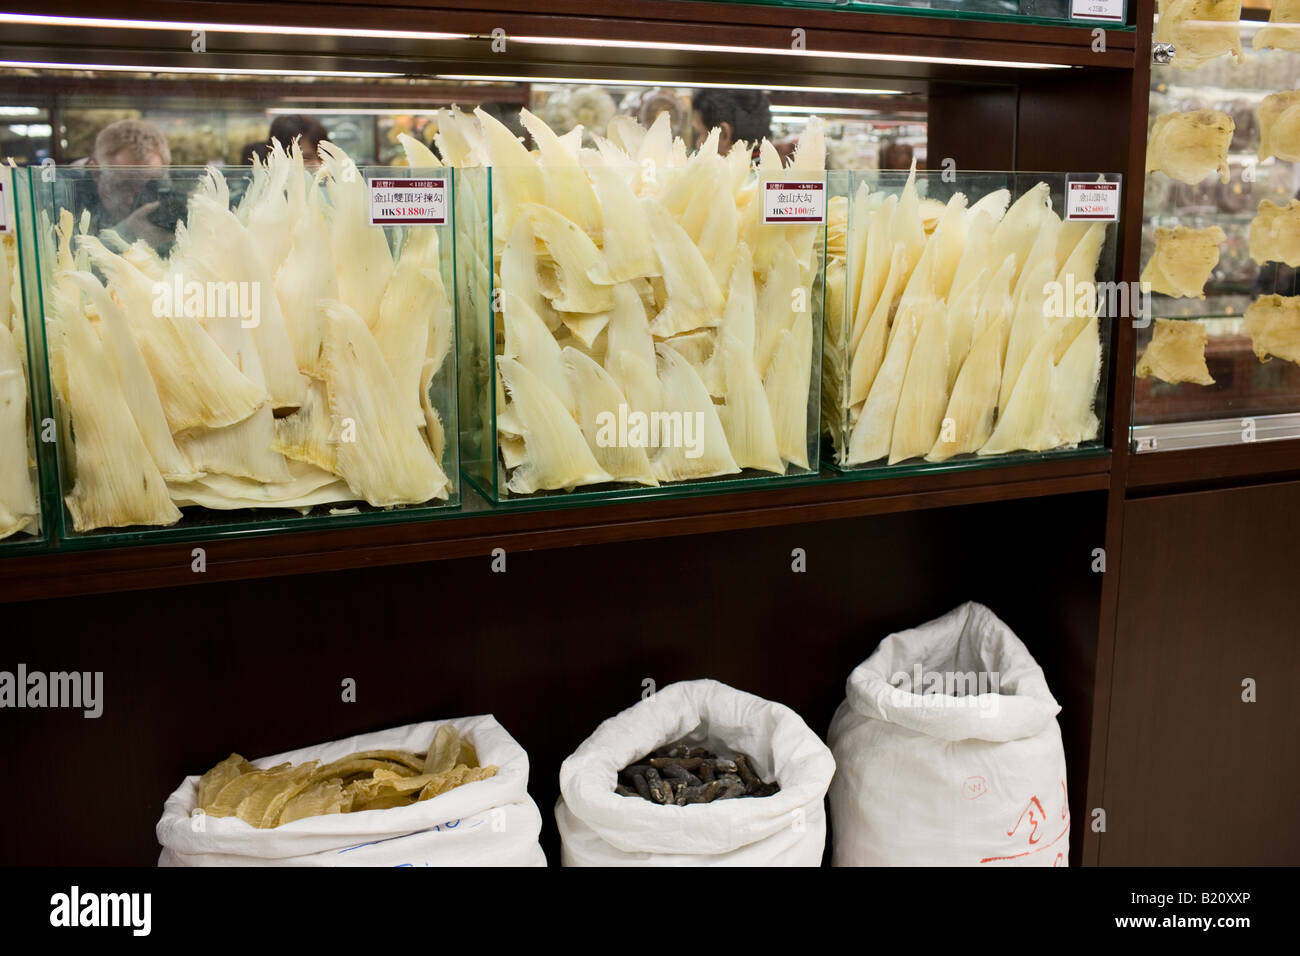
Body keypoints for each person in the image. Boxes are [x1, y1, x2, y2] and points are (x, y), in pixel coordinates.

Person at [83, 118, 175, 248]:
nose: (135, 199)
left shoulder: (165, 187)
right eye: (124, 186)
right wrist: (128, 232)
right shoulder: (67, 193)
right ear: (95, 172)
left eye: (150, 186)